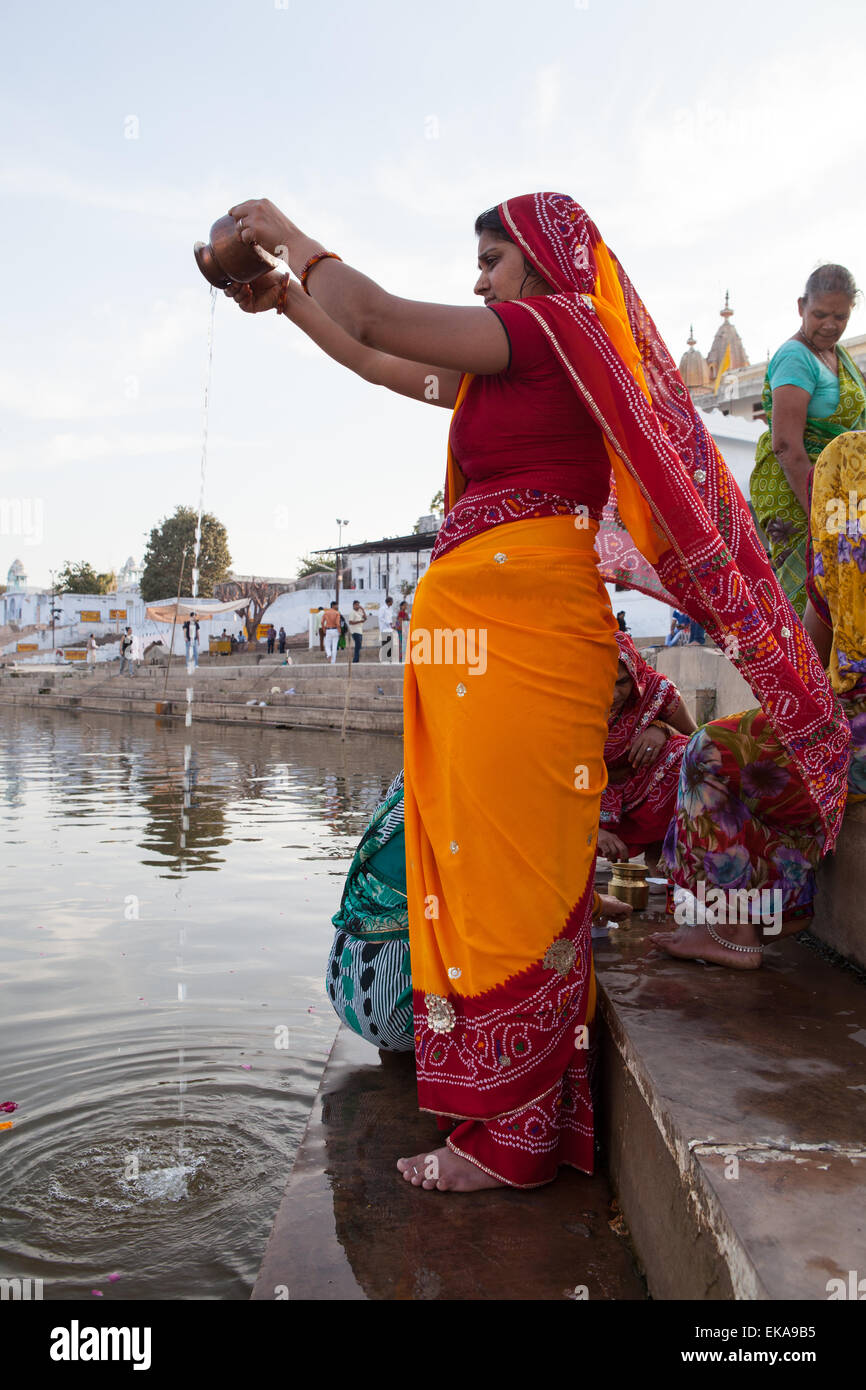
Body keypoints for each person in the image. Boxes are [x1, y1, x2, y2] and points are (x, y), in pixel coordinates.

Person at [223, 191, 846, 1193]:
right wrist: (289, 301)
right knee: (475, 867)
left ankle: (512, 1140)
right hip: (482, 647)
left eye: (487, 259)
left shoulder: (557, 326)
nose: (475, 280)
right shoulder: (510, 367)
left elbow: (379, 313)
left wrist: (280, 230)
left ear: (539, 264)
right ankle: (498, 1118)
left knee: (514, 876)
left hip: (526, 640)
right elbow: (381, 358)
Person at [327, 771, 633, 1052]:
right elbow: (527, 893)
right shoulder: (486, 792)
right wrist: (596, 905)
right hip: (398, 1010)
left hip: (344, 980)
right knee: (549, 954)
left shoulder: (416, 772)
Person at [750, 266, 866, 617]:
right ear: (801, 307)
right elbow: (786, 445)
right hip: (801, 486)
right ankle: (807, 673)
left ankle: (834, 673)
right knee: (815, 590)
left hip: (839, 492)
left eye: (840, 316)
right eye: (820, 314)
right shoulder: (795, 357)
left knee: (843, 589)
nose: (830, 324)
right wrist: (821, 513)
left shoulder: (837, 355)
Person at [599, 634, 697, 872]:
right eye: (603, 681)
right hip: (584, 796)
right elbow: (544, 779)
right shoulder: (564, 701)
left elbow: (698, 738)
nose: (613, 695)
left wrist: (662, 729)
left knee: (687, 754)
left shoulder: (655, 690)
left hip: (640, 791)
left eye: (622, 682)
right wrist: (592, 830)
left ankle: (660, 852)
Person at [804, 430, 866, 801]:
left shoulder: (845, 456)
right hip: (847, 711)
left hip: (848, 725)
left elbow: (807, 665)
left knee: (707, 752)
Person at [378, 596, 395, 662]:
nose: (392, 603)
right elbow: (380, 618)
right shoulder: (382, 609)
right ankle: (385, 659)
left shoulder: (390, 609)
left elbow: (390, 618)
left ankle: (389, 658)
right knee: (385, 643)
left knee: (390, 643)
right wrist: (388, 623)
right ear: (389, 602)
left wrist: (391, 624)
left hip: (389, 628)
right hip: (384, 628)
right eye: (392, 601)